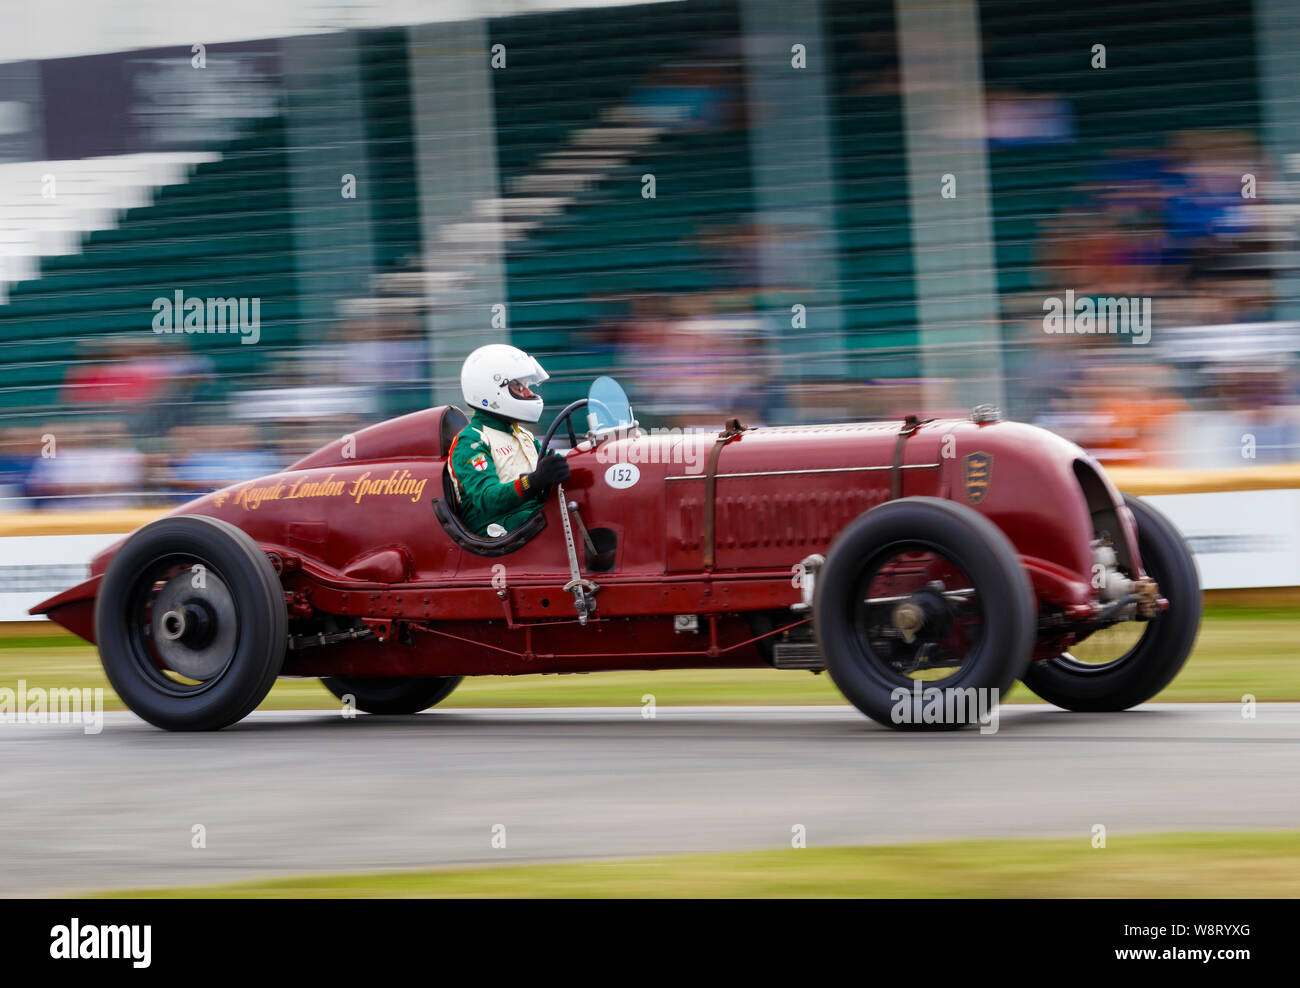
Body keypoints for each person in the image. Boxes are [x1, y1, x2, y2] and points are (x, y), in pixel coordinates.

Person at [448, 344, 570, 537]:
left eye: (527, 386)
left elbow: (550, 476)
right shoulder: (470, 441)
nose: (529, 393)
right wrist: (534, 481)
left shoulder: (525, 436)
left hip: (531, 521)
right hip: (499, 531)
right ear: (490, 390)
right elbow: (486, 499)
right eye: (519, 386)